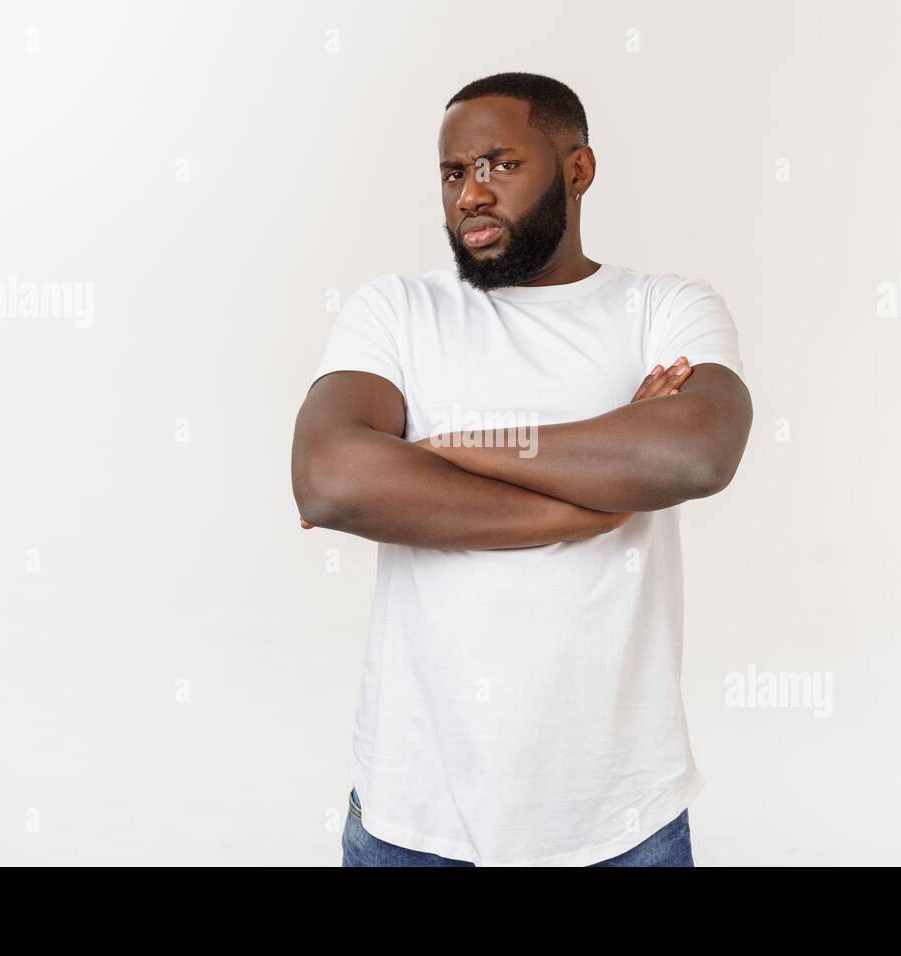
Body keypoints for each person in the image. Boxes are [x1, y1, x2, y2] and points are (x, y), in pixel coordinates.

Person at [291, 71, 753, 866]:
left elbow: (695, 452)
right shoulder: (397, 310)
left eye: (501, 165)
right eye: (452, 173)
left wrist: (437, 451)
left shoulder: (665, 308)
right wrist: (594, 502)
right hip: (414, 818)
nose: (471, 194)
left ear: (578, 170)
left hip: (621, 821)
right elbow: (330, 477)